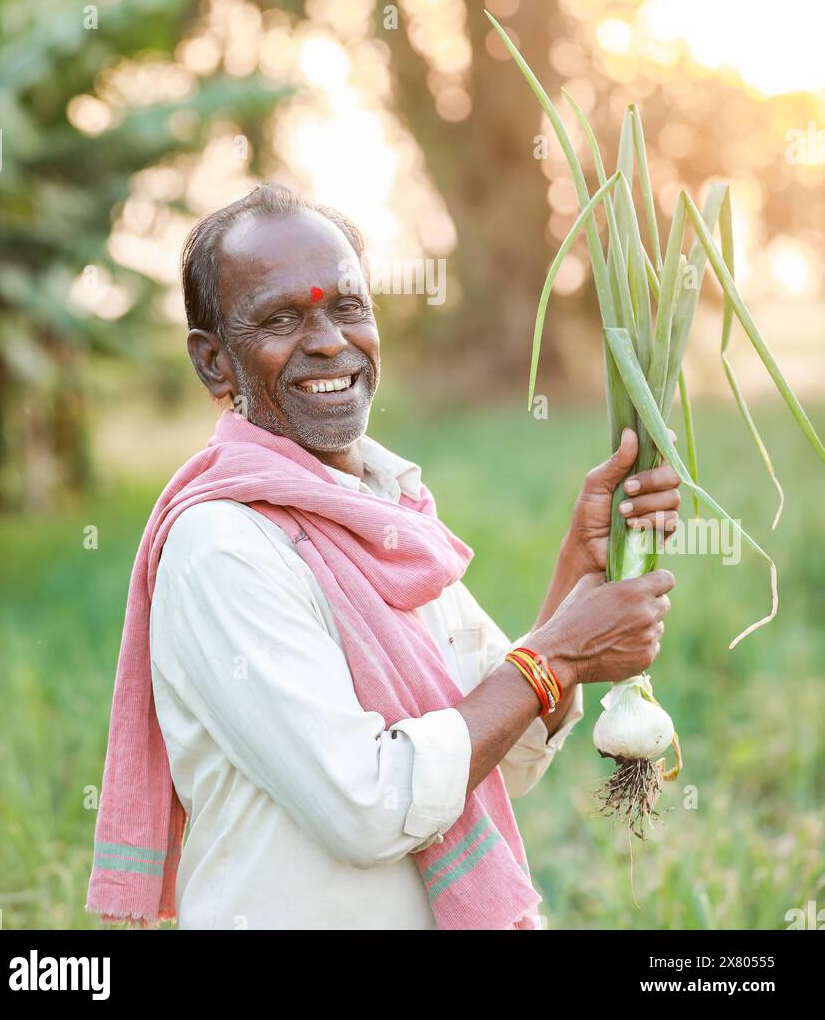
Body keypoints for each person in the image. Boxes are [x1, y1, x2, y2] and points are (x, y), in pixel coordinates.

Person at [87, 183, 677, 931]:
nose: (331, 340)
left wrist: (580, 569)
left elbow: (509, 748)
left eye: (348, 306)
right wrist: (559, 654)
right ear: (214, 364)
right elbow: (373, 806)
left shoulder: (381, 511)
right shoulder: (222, 547)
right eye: (281, 318)